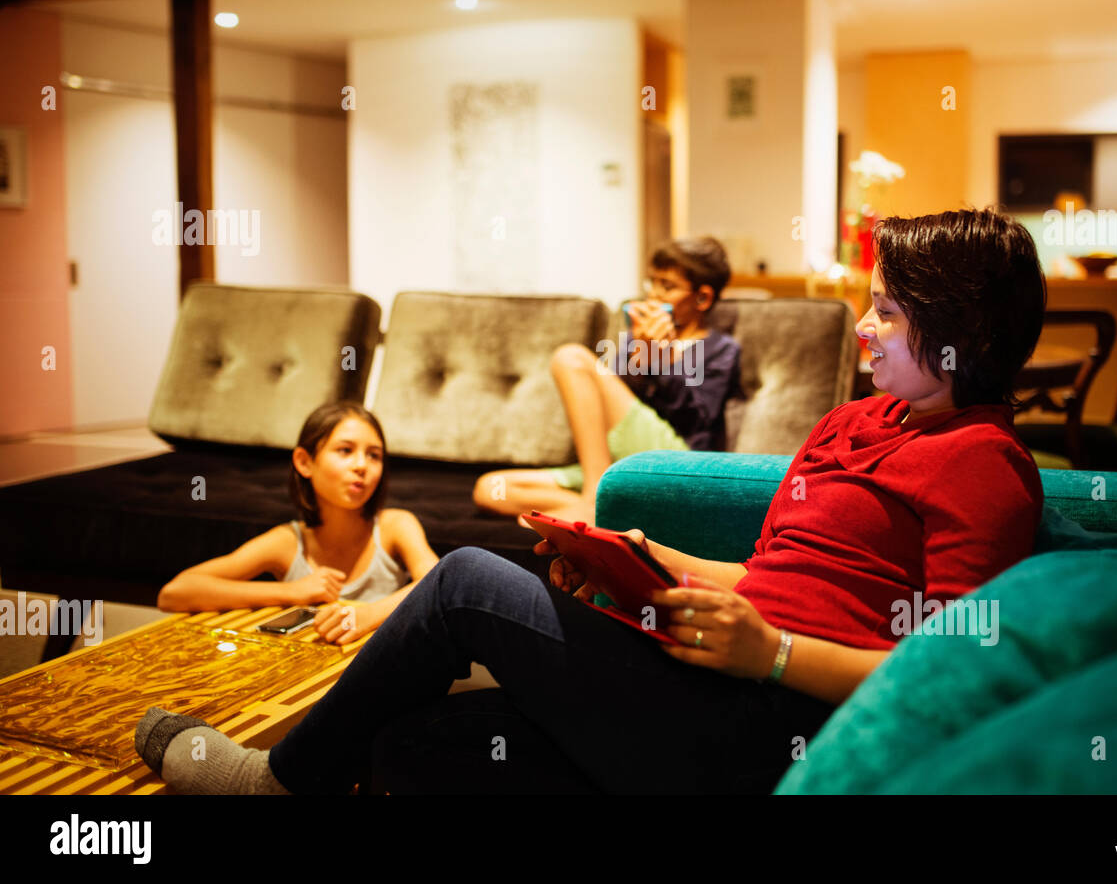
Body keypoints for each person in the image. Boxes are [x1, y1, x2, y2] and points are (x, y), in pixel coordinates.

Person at [135, 209, 1046, 794]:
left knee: (463, 582)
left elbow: (953, 678)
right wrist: (649, 565)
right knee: (415, 746)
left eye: (886, 310)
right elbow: (769, 573)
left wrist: (771, 655)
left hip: (770, 728)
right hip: (695, 681)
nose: (863, 326)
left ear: (959, 329)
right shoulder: (855, 421)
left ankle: (270, 784)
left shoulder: (982, 464)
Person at [471, 236, 741, 526]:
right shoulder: (633, 341)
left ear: (703, 298)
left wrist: (663, 361)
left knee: (570, 358)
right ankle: (612, 508)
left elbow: (696, 419)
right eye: (653, 282)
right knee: (491, 489)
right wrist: (641, 354)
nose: (655, 295)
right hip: (617, 463)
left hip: (673, 461)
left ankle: (590, 503)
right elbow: (614, 404)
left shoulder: (719, 349)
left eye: (668, 286)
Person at [155, 401, 439, 644]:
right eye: (345, 450)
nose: (361, 465)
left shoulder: (395, 525)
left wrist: (368, 615)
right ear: (304, 463)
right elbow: (175, 593)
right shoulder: (288, 541)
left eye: (374, 455)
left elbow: (438, 581)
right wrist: (291, 591)